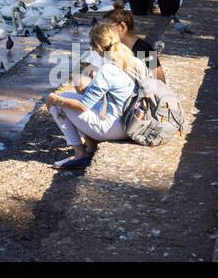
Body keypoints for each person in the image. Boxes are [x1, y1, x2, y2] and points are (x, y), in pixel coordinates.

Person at [46, 22, 145, 171]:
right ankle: (91, 146)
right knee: (67, 95)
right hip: (135, 121)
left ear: (98, 47)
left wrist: (56, 100)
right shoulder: (135, 61)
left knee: (58, 102)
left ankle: (80, 154)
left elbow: (83, 106)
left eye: (93, 48)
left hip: (117, 128)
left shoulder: (107, 70)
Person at [111, 10, 166, 83]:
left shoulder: (142, 50)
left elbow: (159, 80)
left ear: (122, 27)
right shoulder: (113, 47)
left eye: (107, 28)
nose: (104, 33)